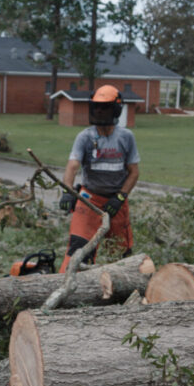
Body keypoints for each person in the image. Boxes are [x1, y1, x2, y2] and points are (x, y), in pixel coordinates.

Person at [58, 85, 140, 270]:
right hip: (89, 199)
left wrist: (120, 197)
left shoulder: (126, 137)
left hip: (115, 200)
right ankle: (66, 285)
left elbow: (134, 172)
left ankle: (122, 290)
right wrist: (68, 191)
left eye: (104, 108)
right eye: (97, 107)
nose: (99, 111)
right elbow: (72, 165)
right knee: (78, 250)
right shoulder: (85, 137)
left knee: (120, 253)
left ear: (116, 109)